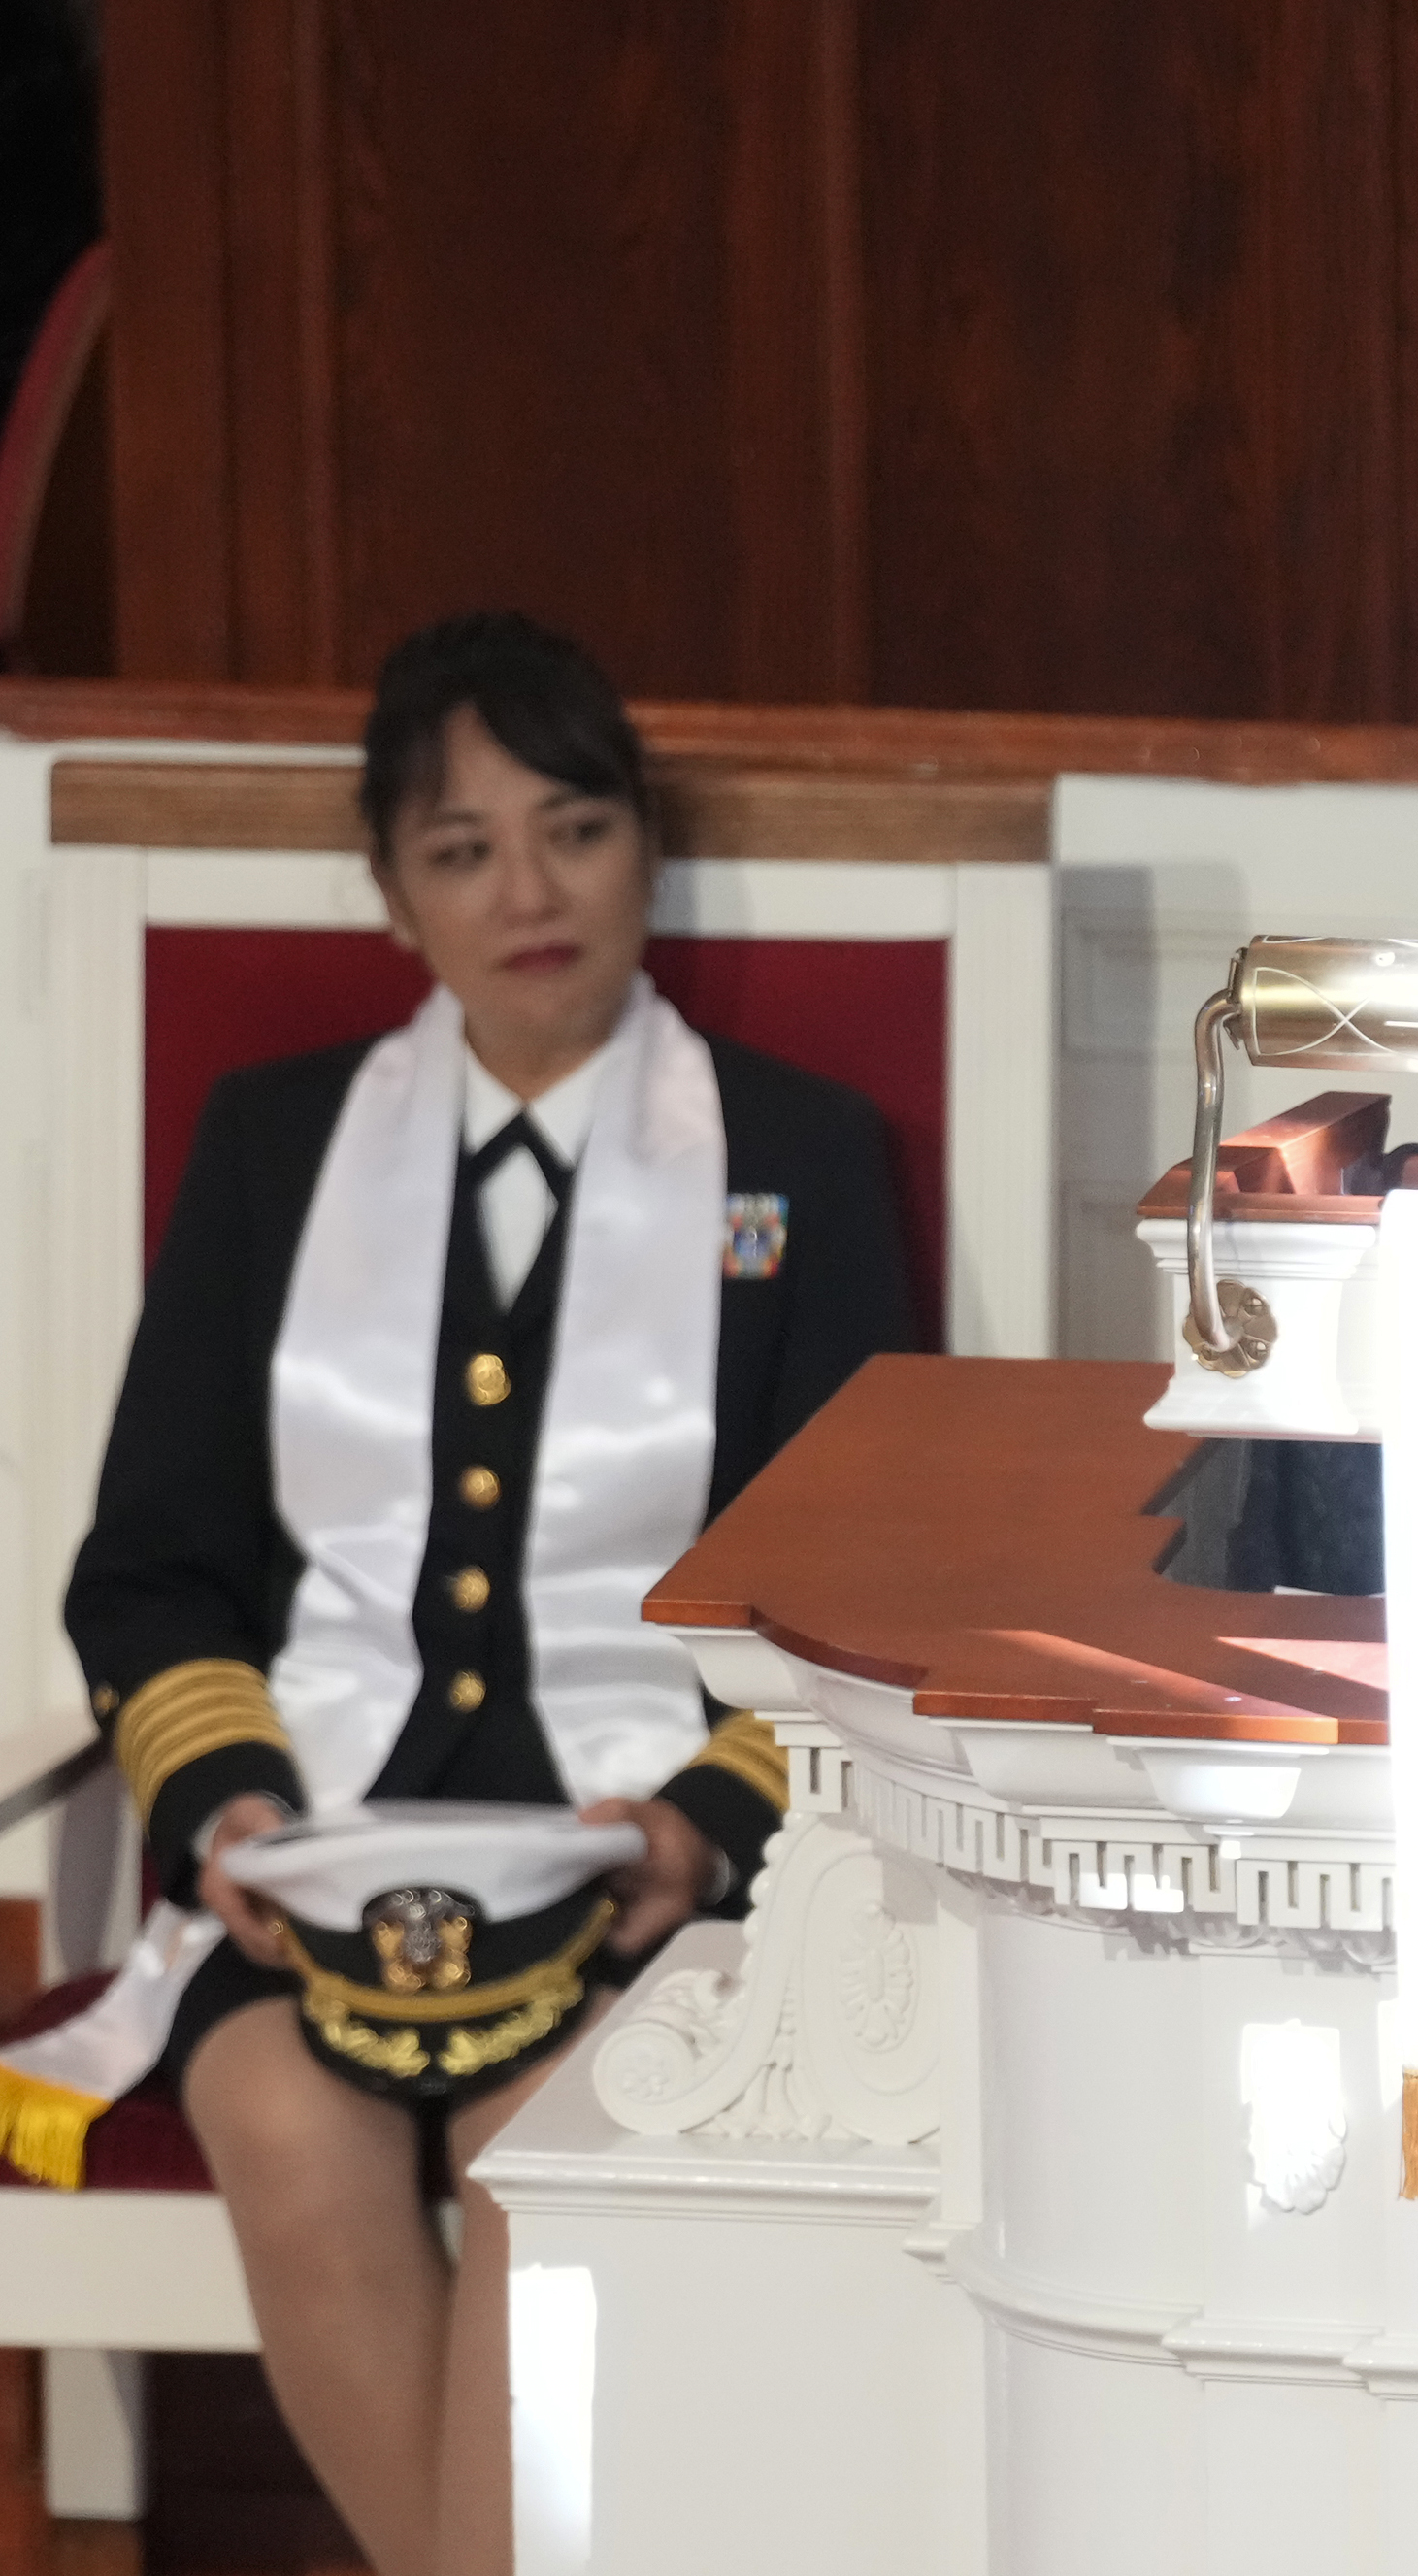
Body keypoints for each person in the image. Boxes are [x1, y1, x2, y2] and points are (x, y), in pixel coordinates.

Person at [32, 612, 913, 2574]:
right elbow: (154, 1565)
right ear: (390, 892)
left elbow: (851, 1594)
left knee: (546, 2143)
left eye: (573, 828)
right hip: (322, 1837)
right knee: (272, 2109)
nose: (526, 893)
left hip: (635, 1862)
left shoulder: (799, 1156)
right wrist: (222, 1806)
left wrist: (698, 1832)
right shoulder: (274, 1149)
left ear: (643, 849)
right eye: (460, 848)